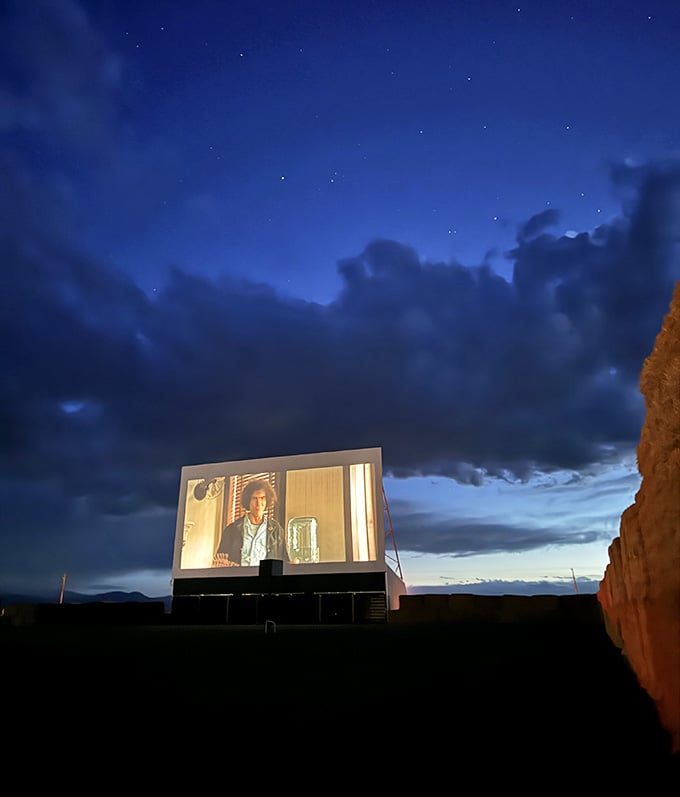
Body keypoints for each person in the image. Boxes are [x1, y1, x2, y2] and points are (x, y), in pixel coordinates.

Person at [213, 479, 289, 567]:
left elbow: (284, 562)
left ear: (267, 500)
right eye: (254, 498)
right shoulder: (231, 530)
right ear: (248, 501)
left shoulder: (276, 530)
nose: (258, 503)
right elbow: (220, 562)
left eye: (262, 498)